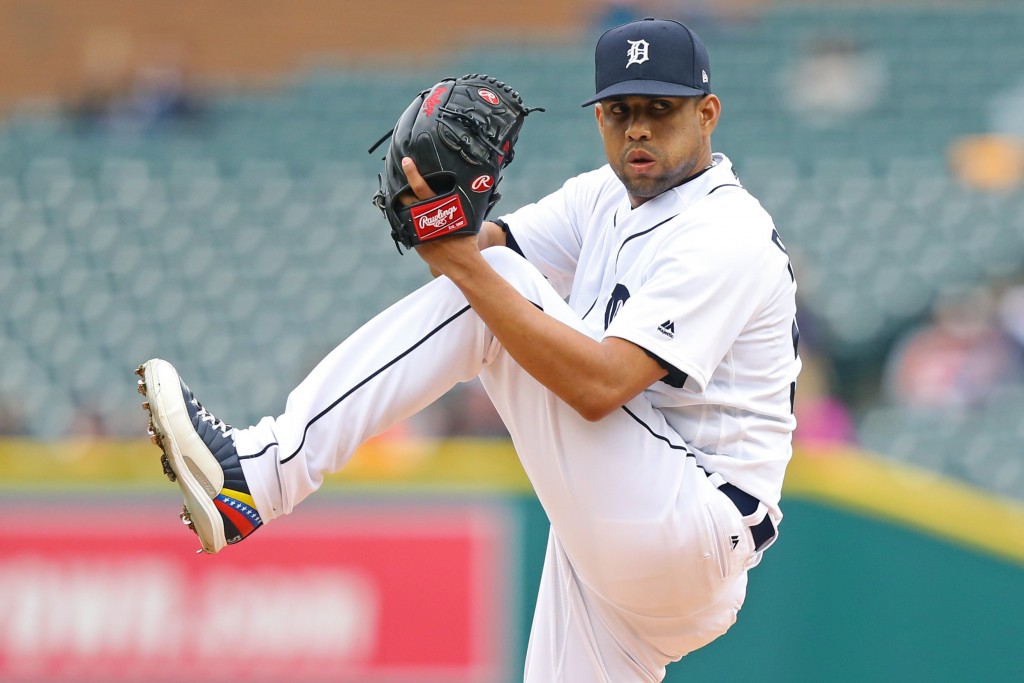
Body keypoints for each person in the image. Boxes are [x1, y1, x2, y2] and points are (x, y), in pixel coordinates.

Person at [136, 17, 800, 682]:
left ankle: (261, 472)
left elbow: (600, 383)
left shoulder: (725, 229)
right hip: (630, 533)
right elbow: (469, 268)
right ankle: (258, 476)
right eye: (620, 111)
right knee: (492, 287)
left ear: (708, 113)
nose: (638, 130)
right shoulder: (602, 196)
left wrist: (465, 264)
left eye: (661, 109)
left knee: (498, 289)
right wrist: (435, 212)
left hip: (691, 521)